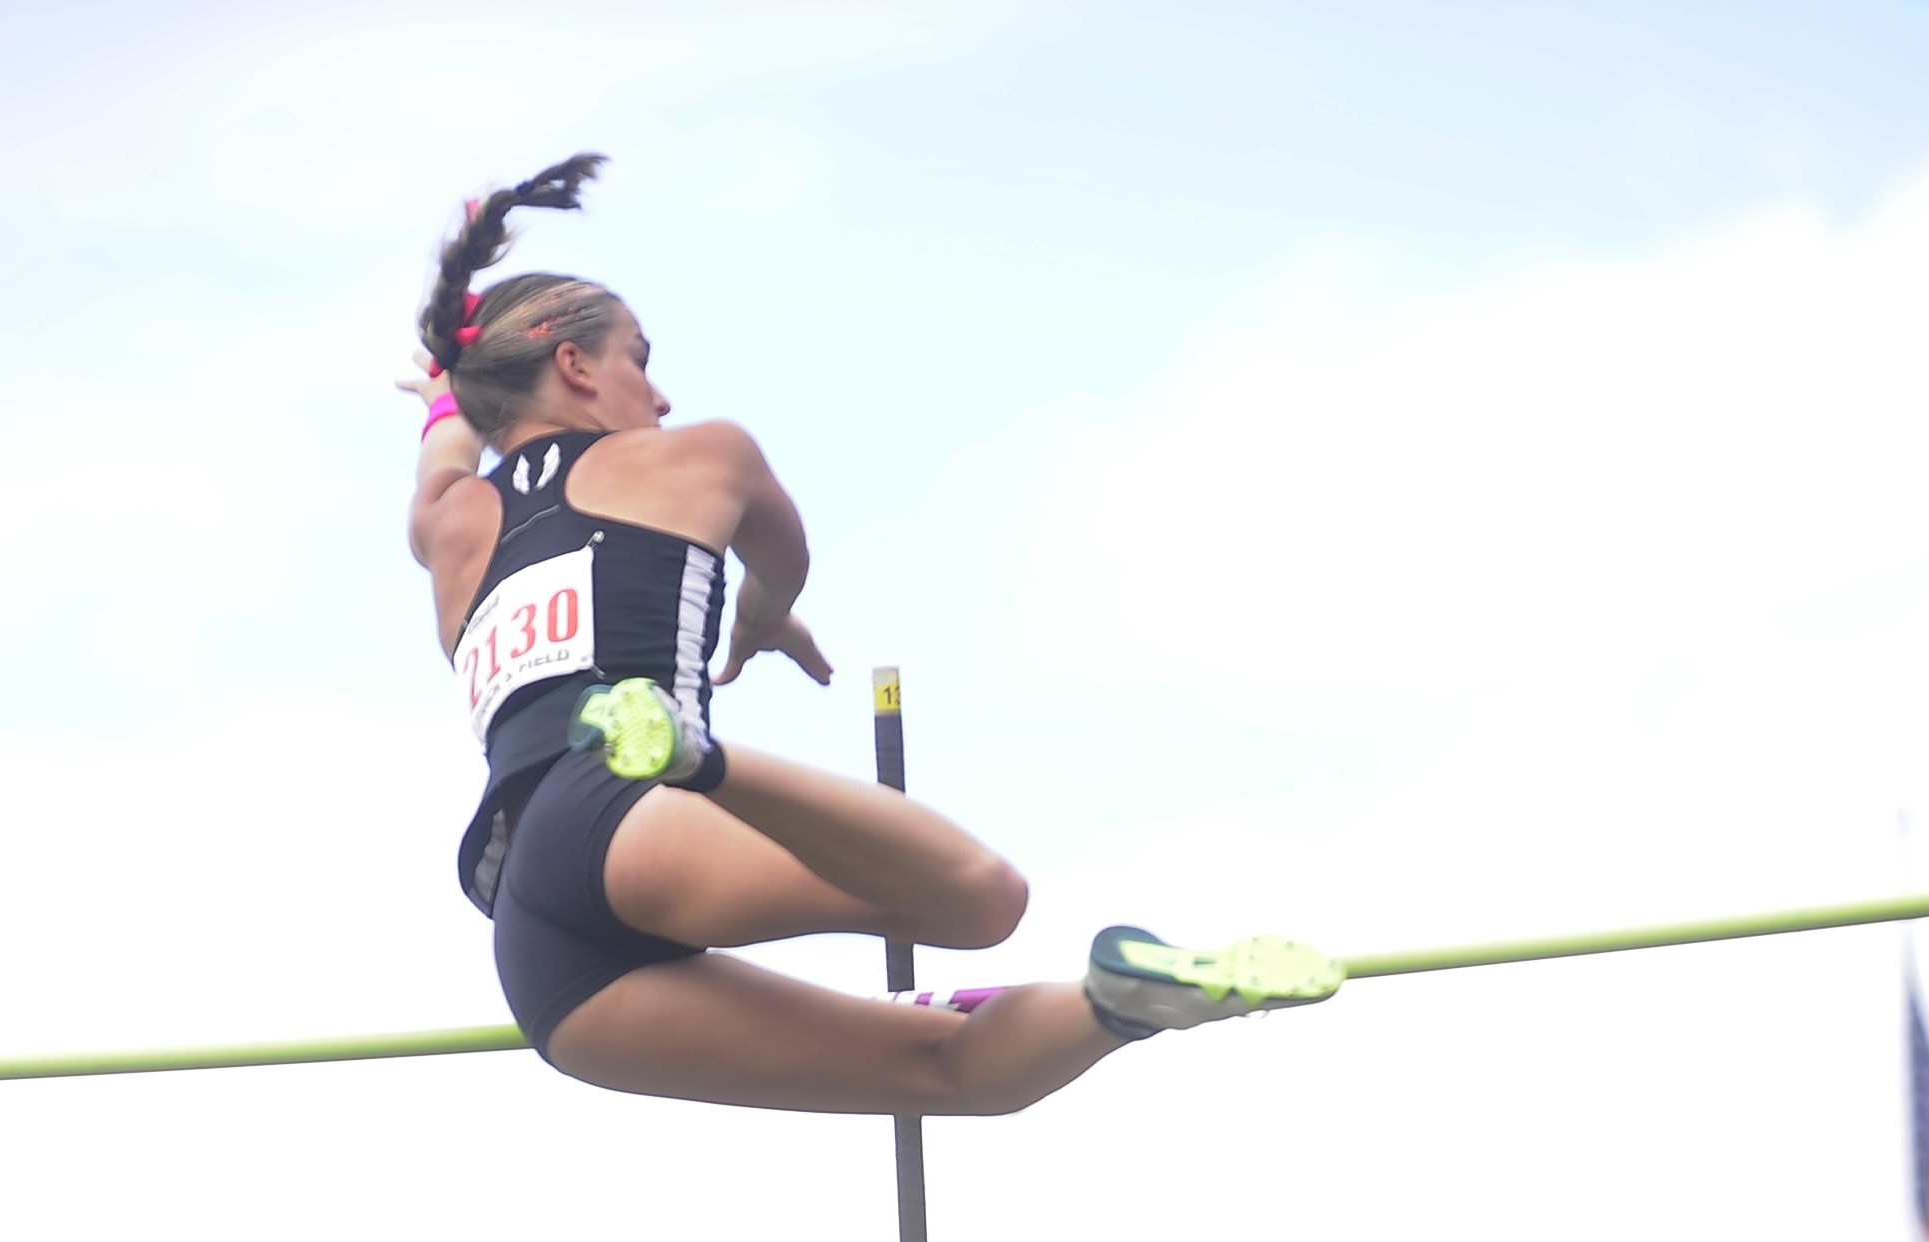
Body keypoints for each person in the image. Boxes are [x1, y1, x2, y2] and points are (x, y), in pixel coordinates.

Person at [402, 155, 1340, 1116]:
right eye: (638, 359)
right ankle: (692, 756)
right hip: (625, 807)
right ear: (573, 365)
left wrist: (445, 389)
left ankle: (1116, 1005)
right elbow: (782, 564)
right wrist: (760, 617)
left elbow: (444, 442)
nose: (661, 396)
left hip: (538, 940)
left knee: (956, 1076)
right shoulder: (701, 458)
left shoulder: (444, 525)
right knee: (978, 901)